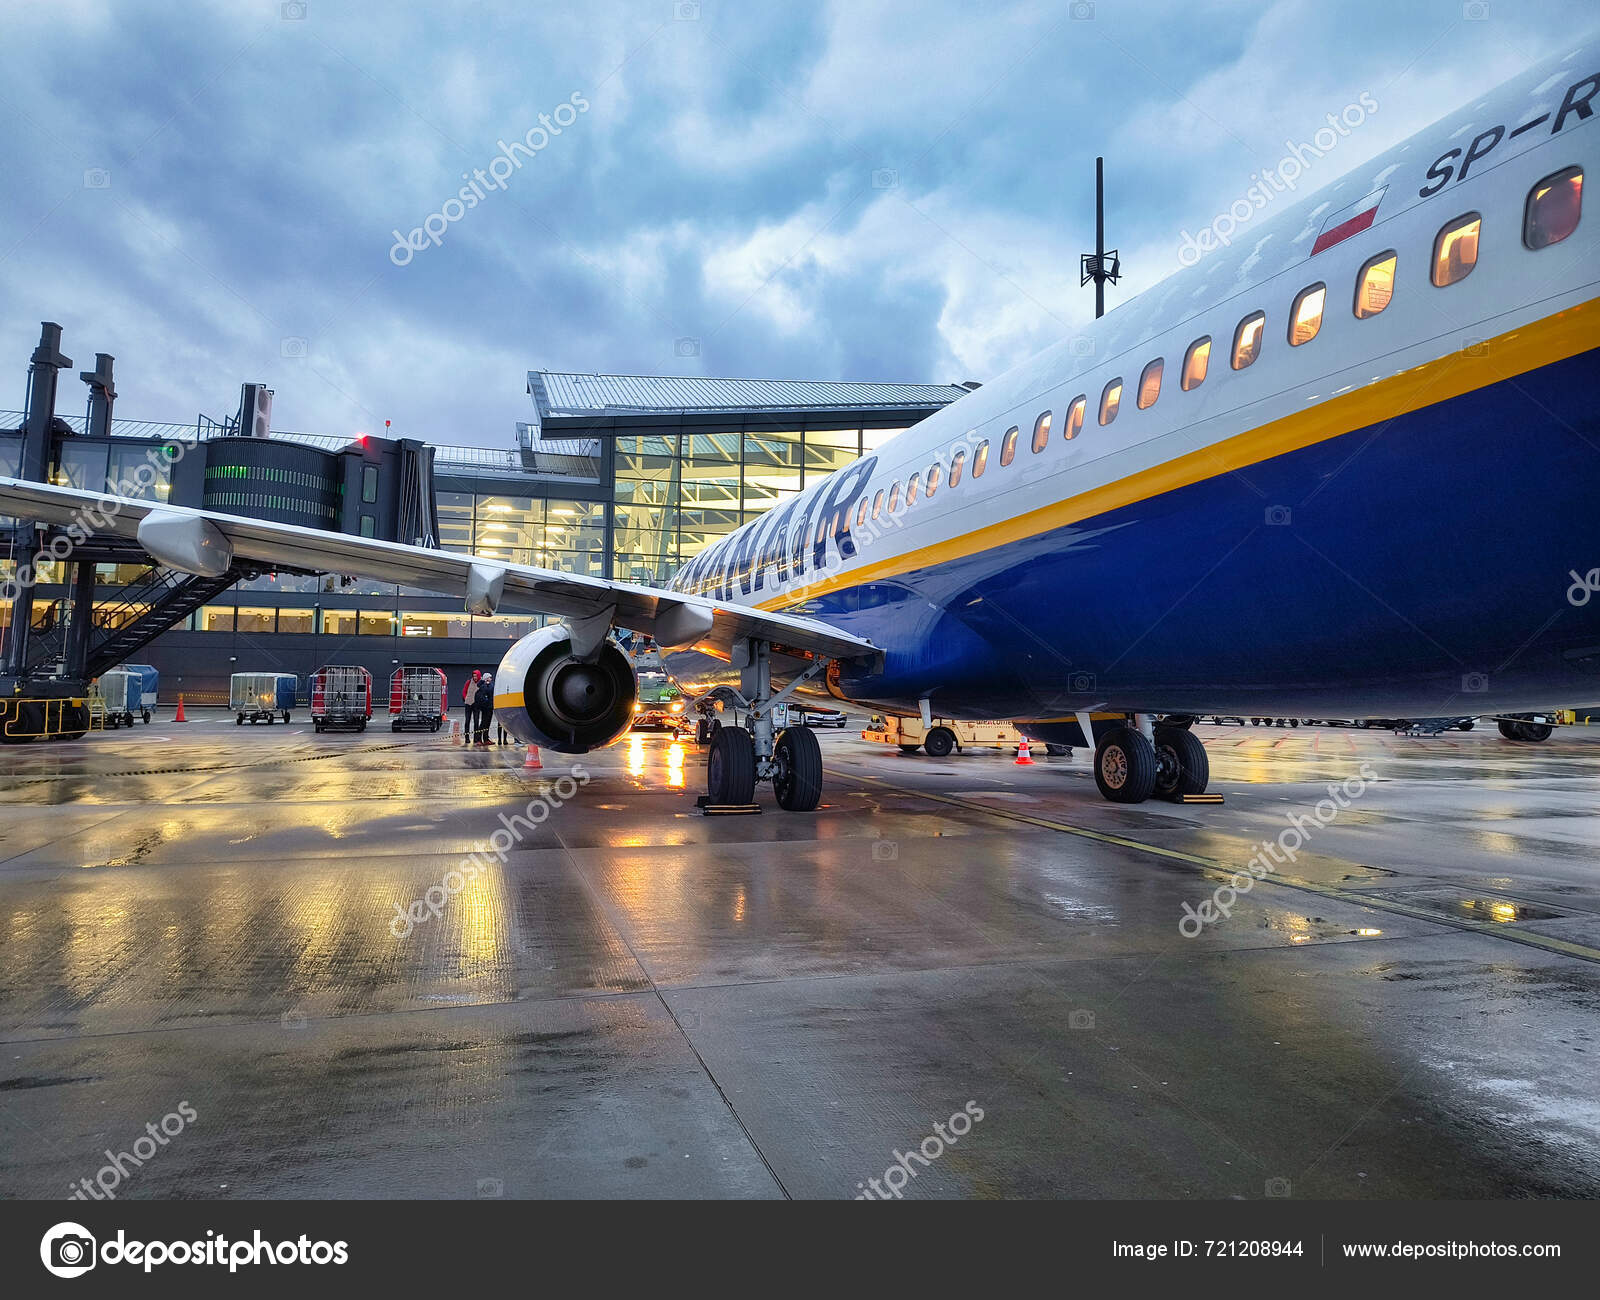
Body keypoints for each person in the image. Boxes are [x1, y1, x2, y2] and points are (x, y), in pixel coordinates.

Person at [472, 672, 493, 745]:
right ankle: (478, 739)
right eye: (489, 677)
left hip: (490, 707)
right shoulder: (483, 686)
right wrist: (486, 702)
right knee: (483, 723)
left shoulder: (490, 685)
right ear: (486, 678)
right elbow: (484, 696)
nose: (491, 679)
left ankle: (486, 738)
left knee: (487, 724)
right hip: (485, 707)